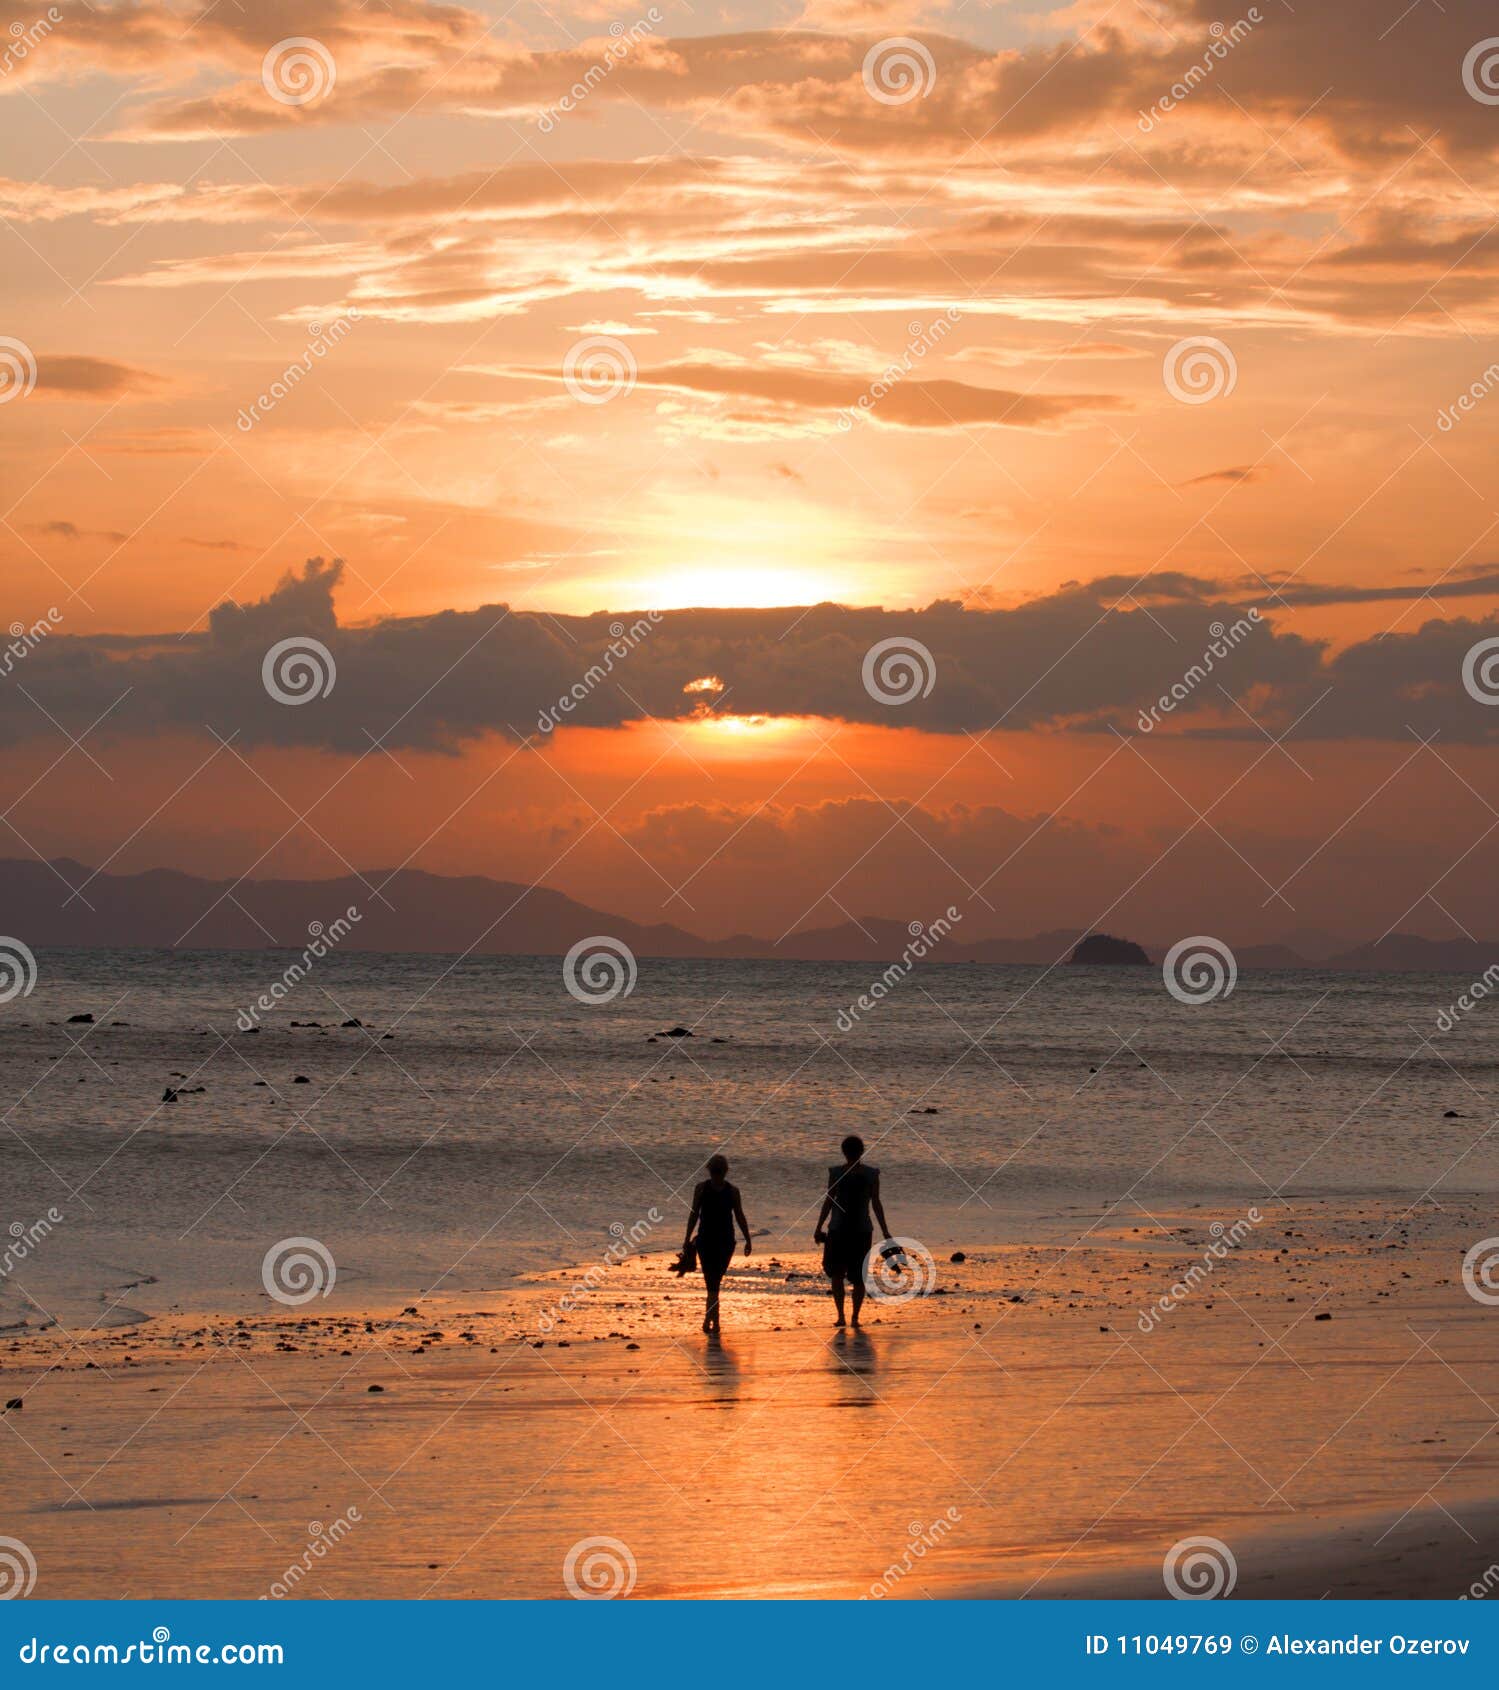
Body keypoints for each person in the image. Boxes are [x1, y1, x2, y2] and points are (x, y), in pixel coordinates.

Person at [814, 1134, 892, 1328]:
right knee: (859, 1277)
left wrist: (818, 1226)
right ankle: (855, 1318)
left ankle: (841, 1316)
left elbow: (828, 1201)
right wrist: (885, 1231)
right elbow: (876, 1204)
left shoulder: (836, 1173)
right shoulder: (871, 1174)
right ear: (862, 1151)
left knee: (837, 1274)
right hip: (861, 1230)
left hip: (838, 1229)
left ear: (844, 1152)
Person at [683, 1154, 752, 1334]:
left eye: (717, 1171)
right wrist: (748, 1239)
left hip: (718, 1241)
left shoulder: (724, 1191)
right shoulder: (712, 1189)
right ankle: (713, 1321)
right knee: (713, 1280)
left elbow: (739, 1216)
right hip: (713, 1241)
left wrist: (686, 1238)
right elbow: (694, 1214)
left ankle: (711, 1319)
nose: (716, 1174)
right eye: (716, 1171)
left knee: (713, 1280)